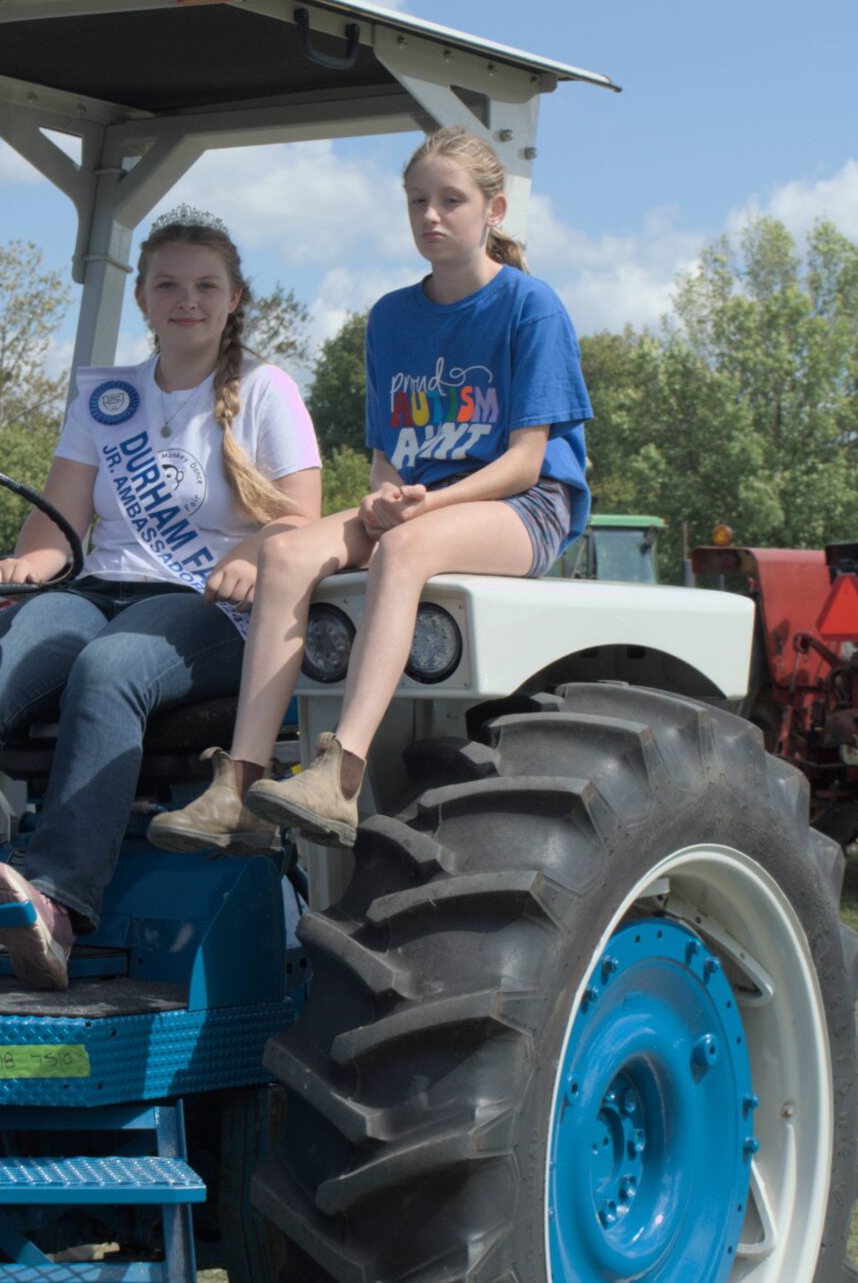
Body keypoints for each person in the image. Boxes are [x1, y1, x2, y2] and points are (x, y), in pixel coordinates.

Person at [151, 126, 590, 854]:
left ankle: (341, 775)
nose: (431, 217)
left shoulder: (528, 305)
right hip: (422, 501)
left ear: (495, 210)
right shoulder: (391, 316)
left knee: (406, 547)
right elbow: (388, 459)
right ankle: (239, 785)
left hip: (521, 507)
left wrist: (417, 508)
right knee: (286, 553)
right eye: (417, 201)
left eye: (451, 201)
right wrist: (382, 498)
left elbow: (523, 462)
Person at [0, 210, 321, 987]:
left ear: (234, 298)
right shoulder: (105, 398)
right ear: (144, 302)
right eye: (167, 286)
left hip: (209, 606)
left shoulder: (265, 391)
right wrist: (23, 568)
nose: (186, 300)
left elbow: (302, 521)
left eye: (204, 286)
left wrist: (253, 554)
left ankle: (55, 903)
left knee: (113, 666)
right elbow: (56, 537)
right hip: (96, 587)